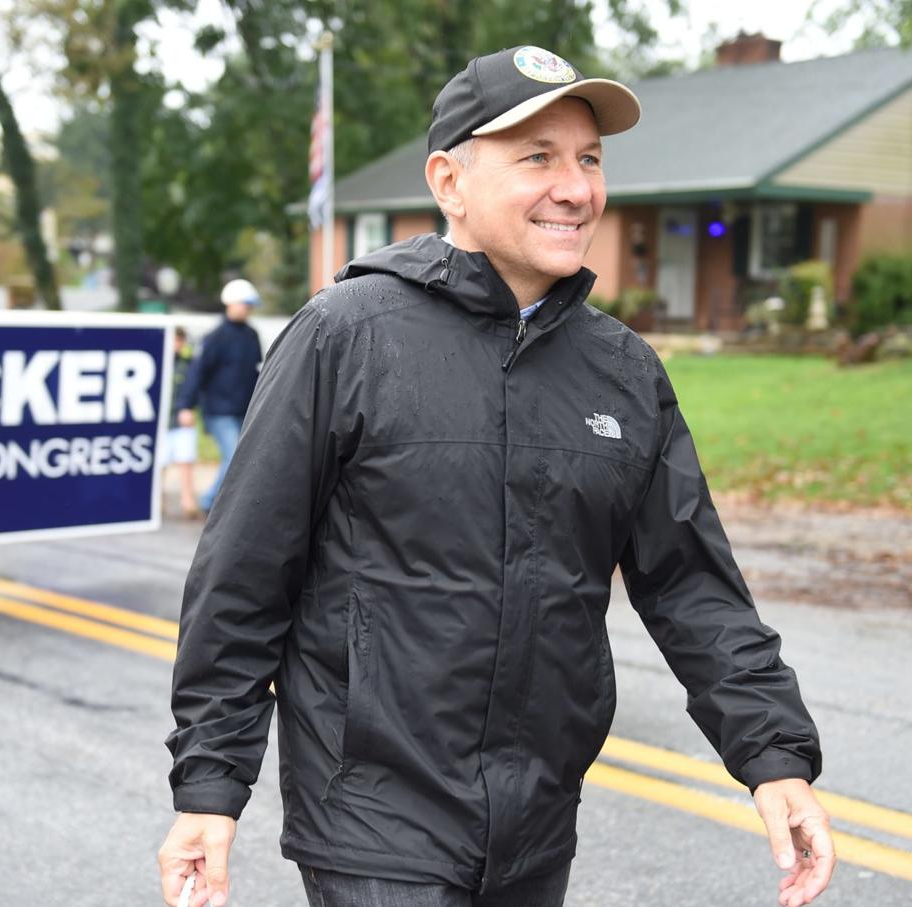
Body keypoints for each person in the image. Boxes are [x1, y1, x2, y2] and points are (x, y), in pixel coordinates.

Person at [159, 46, 835, 907]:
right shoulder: (345, 336)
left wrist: (774, 757)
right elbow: (244, 574)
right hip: (373, 818)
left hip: (538, 823)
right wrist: (210, 788)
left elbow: (693, 586)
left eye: (589, 159)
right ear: (450, 180)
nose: (576, 187)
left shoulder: (622, 371)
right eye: (538, 157)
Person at [174, 279, 263, 514]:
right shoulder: (215, 337)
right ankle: (209, 503)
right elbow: (197, 373)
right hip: (219, 411)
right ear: (230, 303)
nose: (247, 309)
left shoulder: (251, 336)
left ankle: (228, 505)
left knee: (245, 457)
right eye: (244, 304)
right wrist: (185, 405)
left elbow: (257, 372)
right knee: (234, 455)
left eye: (250, 305)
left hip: (244, 409)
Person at [163, 327, 200, 519]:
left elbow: (193, 388)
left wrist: (189, 407)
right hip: (162, 421)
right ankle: (157, 500)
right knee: (160, 463)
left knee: (186, 460)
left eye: (179, 341)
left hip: (181, 418)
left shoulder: (188, 364)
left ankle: (188, 501)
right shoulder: (159, 360)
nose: (176, 345)